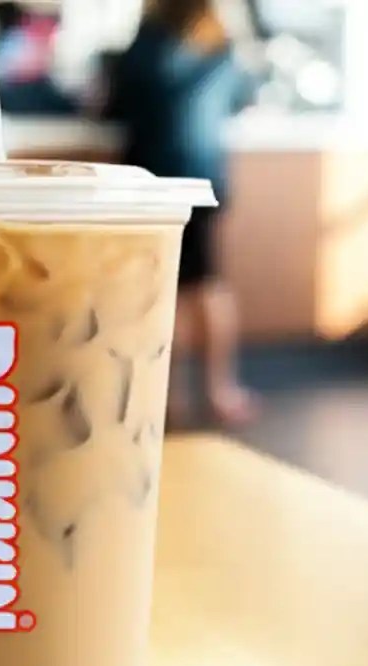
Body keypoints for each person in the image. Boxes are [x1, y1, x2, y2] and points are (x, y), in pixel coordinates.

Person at [107, 0, 262, 427]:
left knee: (162, 289)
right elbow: (243, 99)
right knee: (207, 285)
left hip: (154, 179)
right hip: (202, 178)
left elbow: (117, 104)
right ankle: (219, 390)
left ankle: (167, 396)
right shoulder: (222, 46)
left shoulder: (147, 45)